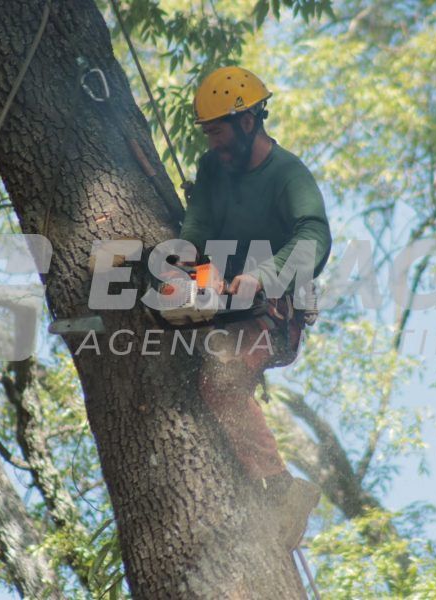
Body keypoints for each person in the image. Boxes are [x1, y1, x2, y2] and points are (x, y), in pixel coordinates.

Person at [178, 66, 332, 550]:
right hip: (223, 299)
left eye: (219, 132)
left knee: (221, 383)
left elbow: (315, 236)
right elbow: (199, 220)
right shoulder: (212, 168)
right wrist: (182, 254)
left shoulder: (288, 174)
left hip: (274, 310)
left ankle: (283, 490)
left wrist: (262, 277)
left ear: (247, 123)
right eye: (208, 135)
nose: (214, 144)